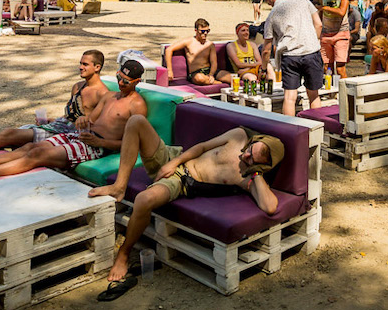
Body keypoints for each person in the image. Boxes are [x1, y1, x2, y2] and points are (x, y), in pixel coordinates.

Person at [86, 115, 284, 300]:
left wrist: (257, 173)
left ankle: (124, 254)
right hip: (176, 158)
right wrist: (173, 163)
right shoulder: (239, 136)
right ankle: (119, 187)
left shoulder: (248, 178)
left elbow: (270, 207)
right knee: (136, 121)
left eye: (252, 159)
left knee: (143, 200)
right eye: (250, 149)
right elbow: (202, 147)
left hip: (181, 181)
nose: (245, 156)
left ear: (261, 166)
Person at [0, 59, 148, 183]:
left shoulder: (136, 106)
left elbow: (131, 144)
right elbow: (90, 119)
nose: (120, 83)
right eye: (119, 77)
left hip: (98, 148)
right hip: (81, 137)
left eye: (126, 81)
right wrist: (82, 122)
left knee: (36, 155)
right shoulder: (109, 96)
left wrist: (100, 144)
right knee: (29, 147)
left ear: (137, 81)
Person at [260, 0, 323, 117]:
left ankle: (290, 130)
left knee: (289, 97)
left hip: (290, 56)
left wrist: (264, 68)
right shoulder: (302, 0)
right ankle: (317, 127)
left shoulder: (271, 16)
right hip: (311, 52)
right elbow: (318, 24)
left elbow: (266, 49)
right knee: (314, 95)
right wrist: (313, 40)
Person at [316, 0, 353, 79]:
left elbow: (342, 11)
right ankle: (330, 93)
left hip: (341, 32)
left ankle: (345, 94)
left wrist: (325, 8)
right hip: (326, 32)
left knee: (340, 68)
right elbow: (319, 10)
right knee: (327, 67)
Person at [164, 19, 218, 87]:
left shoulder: (210, 45)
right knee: (199, 78)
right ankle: (220, 84)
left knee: (230, 77)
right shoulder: (188, 42)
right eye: (202, 31)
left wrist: (211, 74)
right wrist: (169, 70)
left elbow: (214, 62)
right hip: (195, 73)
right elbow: (169, 50)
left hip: (209, 71)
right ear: (196, 31)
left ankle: (214, 82)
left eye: (207, 31)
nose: (205, 33)